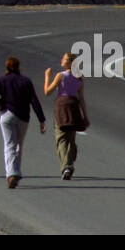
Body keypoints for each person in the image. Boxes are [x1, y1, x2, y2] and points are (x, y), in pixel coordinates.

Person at [0, 56, 46, 189]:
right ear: (18, 67)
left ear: (7, 67)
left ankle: (11, 174)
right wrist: (41, 119)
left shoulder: (3, 80)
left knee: (9, 145)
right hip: (23, 117)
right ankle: (16, 172)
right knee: (18, 145)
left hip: (7, 114)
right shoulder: (26, 81)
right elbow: (34, 101)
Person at [43, 52, 89, 180]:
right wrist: (85, 116)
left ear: (69, 62)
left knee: (61, 138)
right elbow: (81, 99)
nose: (61, 61)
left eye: (64, 59)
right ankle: (70, 159)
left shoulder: (60, 76)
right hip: (74, 107)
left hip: (61, 107)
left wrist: (47, 76)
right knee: (70, 138)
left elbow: (47, 92)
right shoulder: (79, 78)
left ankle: (67, 166)